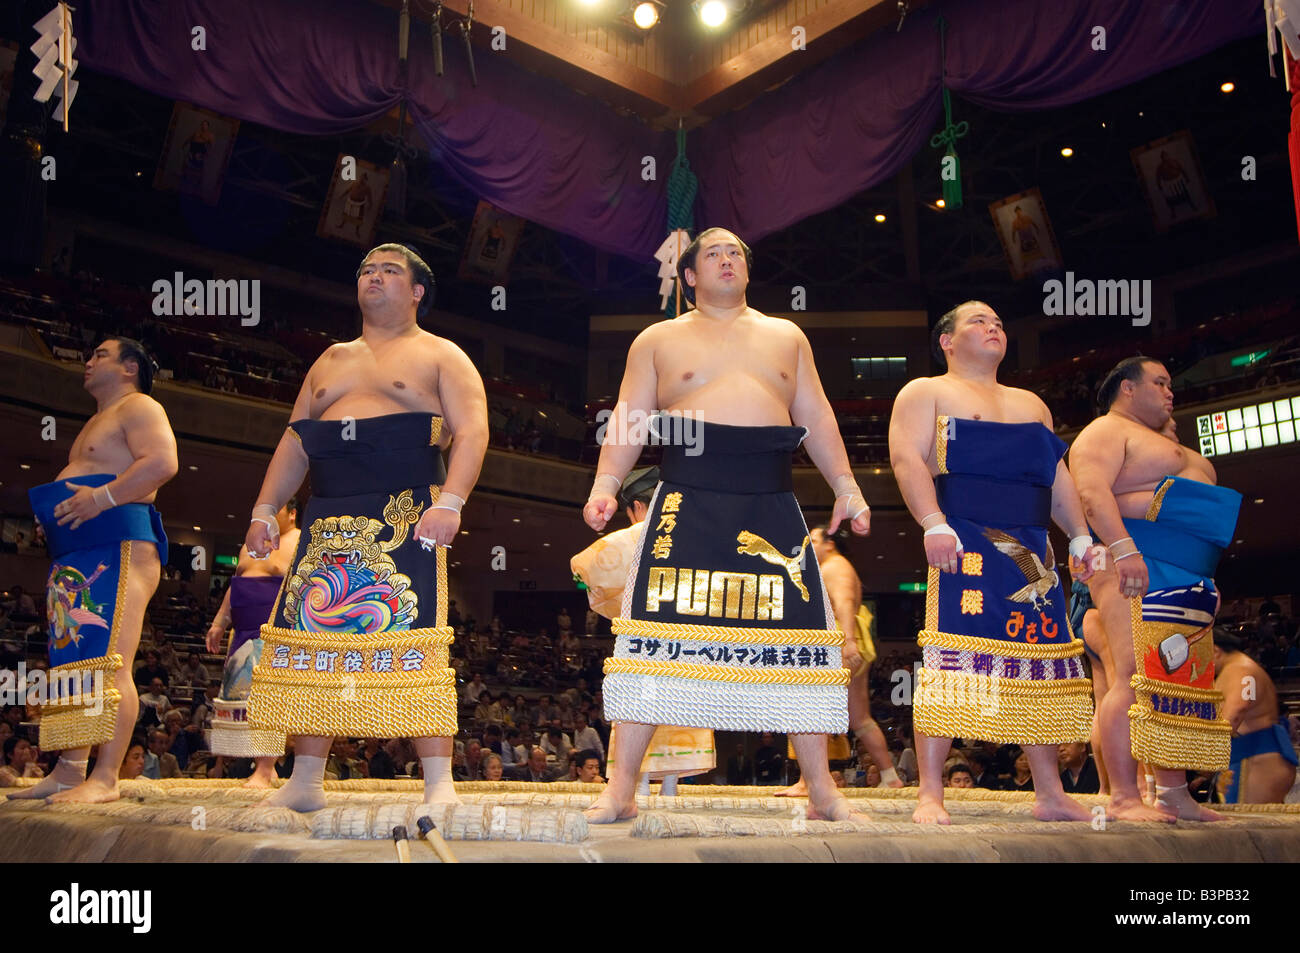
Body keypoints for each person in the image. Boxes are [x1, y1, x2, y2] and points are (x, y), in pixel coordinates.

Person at [583, 229, 871, 823]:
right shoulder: (658, 339)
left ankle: (821, 789)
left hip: (770, 496)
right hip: (688, 493)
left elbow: (814, 414)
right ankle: (620, 791)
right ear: (688, 276)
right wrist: (605, 485)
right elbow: (632, 417)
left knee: (802, 640)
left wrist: (847, 486)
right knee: (652, 638)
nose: (726, 259)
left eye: (736, 252)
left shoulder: (785, 335)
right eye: (713, 253)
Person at [243, 243, 489, 813]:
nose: (374, 277)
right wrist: (263, 509)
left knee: (410, 638)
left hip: (407, 512)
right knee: (313, 642)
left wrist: (451, 500)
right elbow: (295, 441)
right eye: (366, 271)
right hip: (327, 512)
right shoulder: (328, 360)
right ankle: (305, 780)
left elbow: (473, 431)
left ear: (417, 292)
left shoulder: (441, 355)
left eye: (389, 271)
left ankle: (439, 784)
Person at [888, 301, 1104, 825]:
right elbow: (906, 456)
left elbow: (1057, 478)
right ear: (947, 340)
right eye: (979, 322)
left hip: (1033, 548)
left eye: (1001, 323)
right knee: (951, 662)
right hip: (963, 538)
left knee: (1040, 668)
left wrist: (1078, 537)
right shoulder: (925, 391)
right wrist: (932, 521)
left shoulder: (1032, 404)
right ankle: (931, 794)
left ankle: (1049, 792)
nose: (994, 328)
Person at [1070, 356, 1242, 822]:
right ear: (1127, 388)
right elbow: (1090, 494)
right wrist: (1125, 550)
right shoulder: (1106, 431)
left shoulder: (1162, 440)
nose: (1170, 392)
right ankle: (1124, 795)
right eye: (1160, 383)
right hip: (1136, 563)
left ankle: (1172, 792)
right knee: (1131, 675)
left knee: (1179, 679)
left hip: (1191, 572)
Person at [15, 338, 176, 804]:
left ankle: (105, 777)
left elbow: (163, 463)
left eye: (99, 355)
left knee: (109, 663)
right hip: (79, 552)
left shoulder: (140, 405)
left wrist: (99, 498)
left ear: (130, 367)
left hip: (119, 545)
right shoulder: (98, 420)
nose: (88, 362)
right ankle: (69, 769)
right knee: (75, 662)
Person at [572, 466, 715, 796]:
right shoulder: (697, 537)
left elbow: (583, 571)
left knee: (640, 707)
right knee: (677, 708)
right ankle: (669, 789)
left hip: (644, 643)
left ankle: (635, 791)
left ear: (636, 507)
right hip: (690, 644)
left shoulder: (633, 537)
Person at [777, 524, 902, 796]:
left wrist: (847, 643)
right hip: (844, 642)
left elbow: (844, 602)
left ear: (830, 544)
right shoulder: (838, 567)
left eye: (815, 540)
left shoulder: (834, 567)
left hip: (839, 645)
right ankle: (889, 775)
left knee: (810, 709)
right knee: (860, 718)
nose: (810, 545)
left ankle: (808, 781)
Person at [205, 501, 297, 788]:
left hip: (276, 634)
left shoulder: (299, 540)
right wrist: (220, 622)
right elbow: (236, 583)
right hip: (243, 632)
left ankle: (266, 766)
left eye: (276, 511)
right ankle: (262, 767)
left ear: (292, 514)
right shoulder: (251, 544)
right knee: (246, 700)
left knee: (270, 700)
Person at [1214, 629, 1297, 803]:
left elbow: (1239, 707)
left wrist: (1210, 746)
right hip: (1247, 755)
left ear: (1215, 651)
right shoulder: (1234, 670)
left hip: (1257, 759)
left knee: (1253, 824)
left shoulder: (1243, 670)